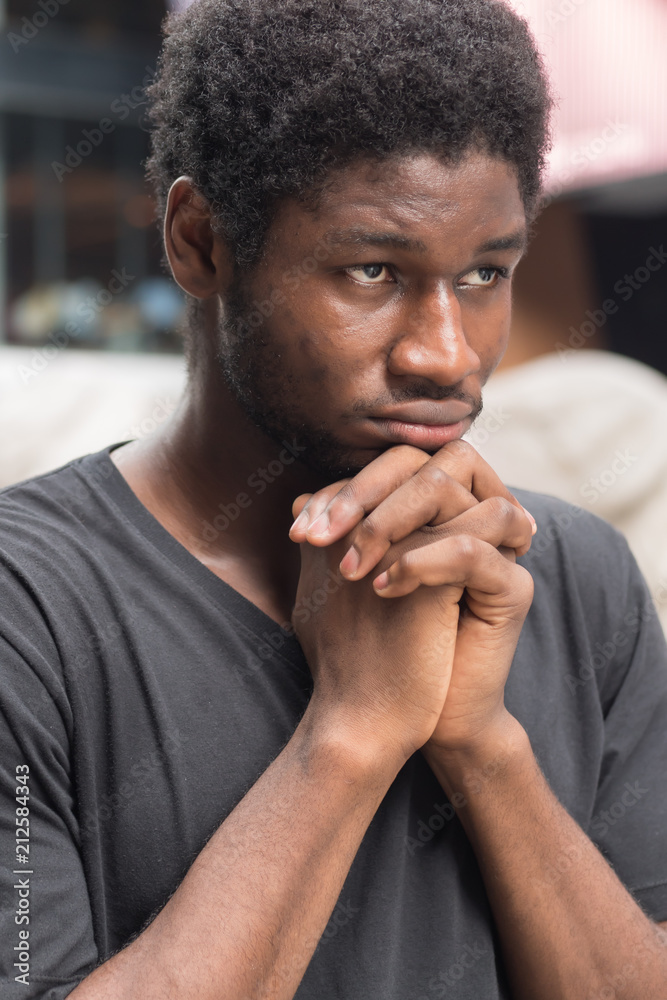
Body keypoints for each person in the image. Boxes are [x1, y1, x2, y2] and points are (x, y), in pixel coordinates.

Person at [1, 2, 666, 998]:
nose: (444, 355)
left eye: (487, 272)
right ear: (200, 243)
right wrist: (350, 733)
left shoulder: (577, 577)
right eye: (373, 270)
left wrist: (481, 744)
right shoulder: (28, 606)